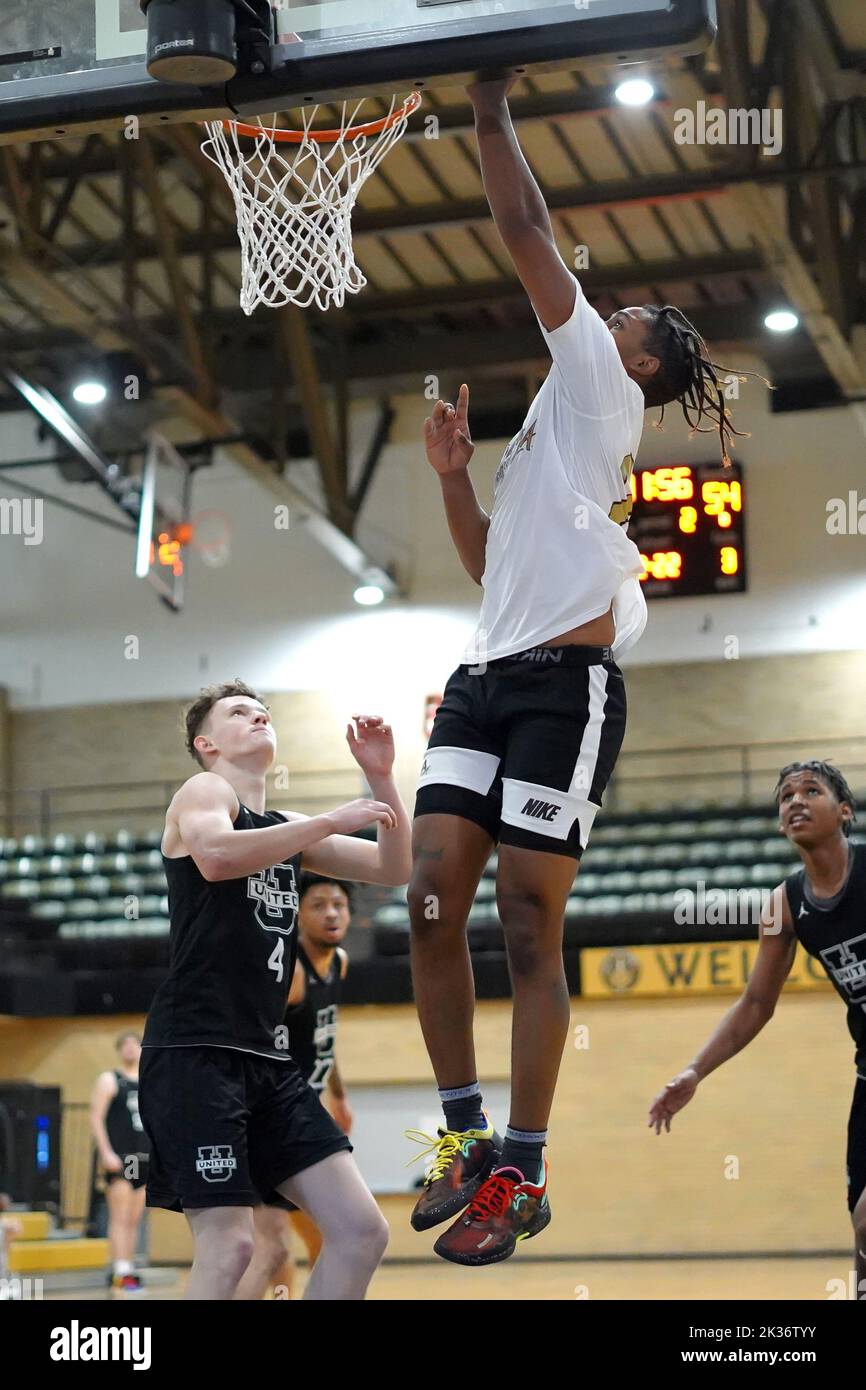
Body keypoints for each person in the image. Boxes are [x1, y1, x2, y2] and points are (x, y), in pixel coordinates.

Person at [408, 76, 758, 1266]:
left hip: (566, 685)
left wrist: (488, 105)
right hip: (486, 669)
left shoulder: (600, 382)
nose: (608, 316)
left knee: (522, 915)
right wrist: (455, 475)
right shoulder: (541, 440)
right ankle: (461, 1139)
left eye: (630, 319)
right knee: (427, 900)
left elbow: (521, 226)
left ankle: (525, 1164)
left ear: (644, 365)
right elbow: (483, 573)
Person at [138, 680, 411, 1300]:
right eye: (239, 712)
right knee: (231, 1245)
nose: (258, 715)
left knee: (360, 1231)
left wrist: (383, 779)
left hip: (268, 1061)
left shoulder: (285, 827)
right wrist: (330, 820)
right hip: (195, 1051)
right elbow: (214, 856)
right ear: (206, 743)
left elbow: (395, 869)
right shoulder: (203, 790)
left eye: (263, 711)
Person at [649, 760, 866, 1300]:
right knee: (862, 1229)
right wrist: (695, 1071)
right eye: (786, 796)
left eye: (811, 791)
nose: (795, 801)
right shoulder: (783, 905)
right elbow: (754, 1004)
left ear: (844, 811)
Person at [246, 872, 354, 1299]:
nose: (331, 913)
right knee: (272, 1250)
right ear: (297, 914)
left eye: (339, 904)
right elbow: (250, 1041)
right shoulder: (289, 972)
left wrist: (339, 1095)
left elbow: (324, 1037)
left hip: (303, 1122)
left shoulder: (339, 962)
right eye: (318, 904)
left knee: (330, 1240)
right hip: (271, 1123)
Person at [89, 1031, 150, 1292]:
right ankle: (120, 1267)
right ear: (118, 1050)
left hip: (145, 1158)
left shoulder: (149, 1081)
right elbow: (95, 1117)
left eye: (134, 1044)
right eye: (124, 1045)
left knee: (136, 1217)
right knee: (120, 1214)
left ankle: (129, 1264)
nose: (129, 1049)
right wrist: (106, 1153)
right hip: (121, 1157)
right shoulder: (109, 1080)